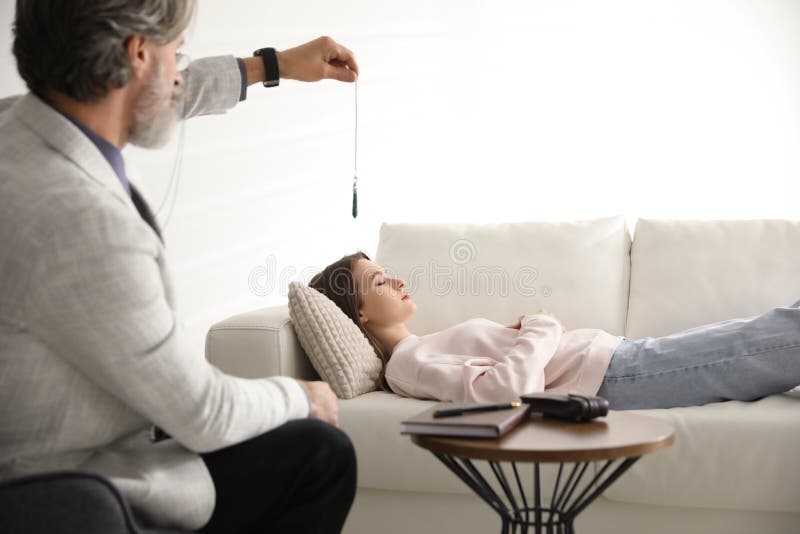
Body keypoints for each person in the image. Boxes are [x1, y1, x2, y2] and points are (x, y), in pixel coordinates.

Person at [0, 1, 358, 532]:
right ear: (138, 53)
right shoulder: (86, 221)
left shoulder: (17, 125)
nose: (178, 75)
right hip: (70, 484)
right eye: (177, 52)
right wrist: (302, 394)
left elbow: (165, 92)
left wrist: (271, 66)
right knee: (321, 452)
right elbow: (204, 412)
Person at [309, 252, 800, 410]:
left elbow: (498, 368)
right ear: (361, 315)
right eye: (377, 281)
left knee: (764, 331)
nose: (395, 280)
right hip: (613, 377)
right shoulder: (407, 366)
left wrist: (518, 335)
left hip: (617, 360)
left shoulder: (420, 349)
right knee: (768, 341)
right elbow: (508, 392)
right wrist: (540, 328)